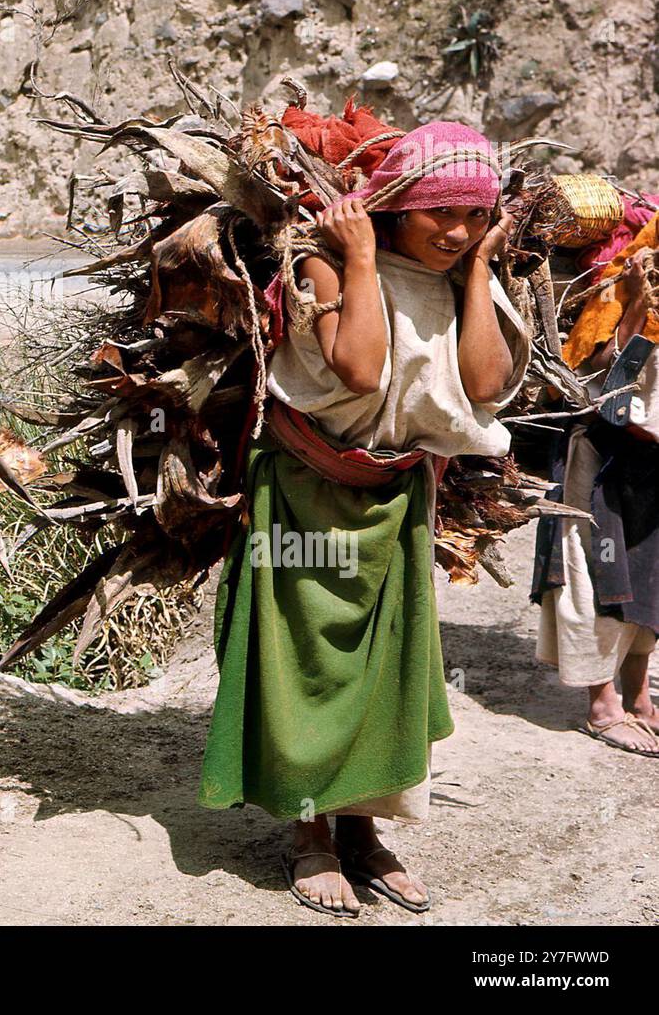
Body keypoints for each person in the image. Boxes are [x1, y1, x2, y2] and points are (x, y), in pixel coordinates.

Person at [199, 122, 530, 917]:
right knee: (304, 661)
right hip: (306, 488)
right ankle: (310, 831)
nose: (454, 232)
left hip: (395, 498)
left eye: (474, 218)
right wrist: (355, 257)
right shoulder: (325, 258)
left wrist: (481, 268)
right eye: (438, 215)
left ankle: (365, 831)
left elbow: (483, 385)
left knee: (383, 674)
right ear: (394, 206)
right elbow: (360, 367)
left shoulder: (462, 276)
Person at [532, 210, 659, 758]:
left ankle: (639, 697)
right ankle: (603, 705)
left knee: (650, 579)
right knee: (595, 578)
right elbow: (606, 393)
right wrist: (635, 305)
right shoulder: (622, 302)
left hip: (651, 468)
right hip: (600, 460)